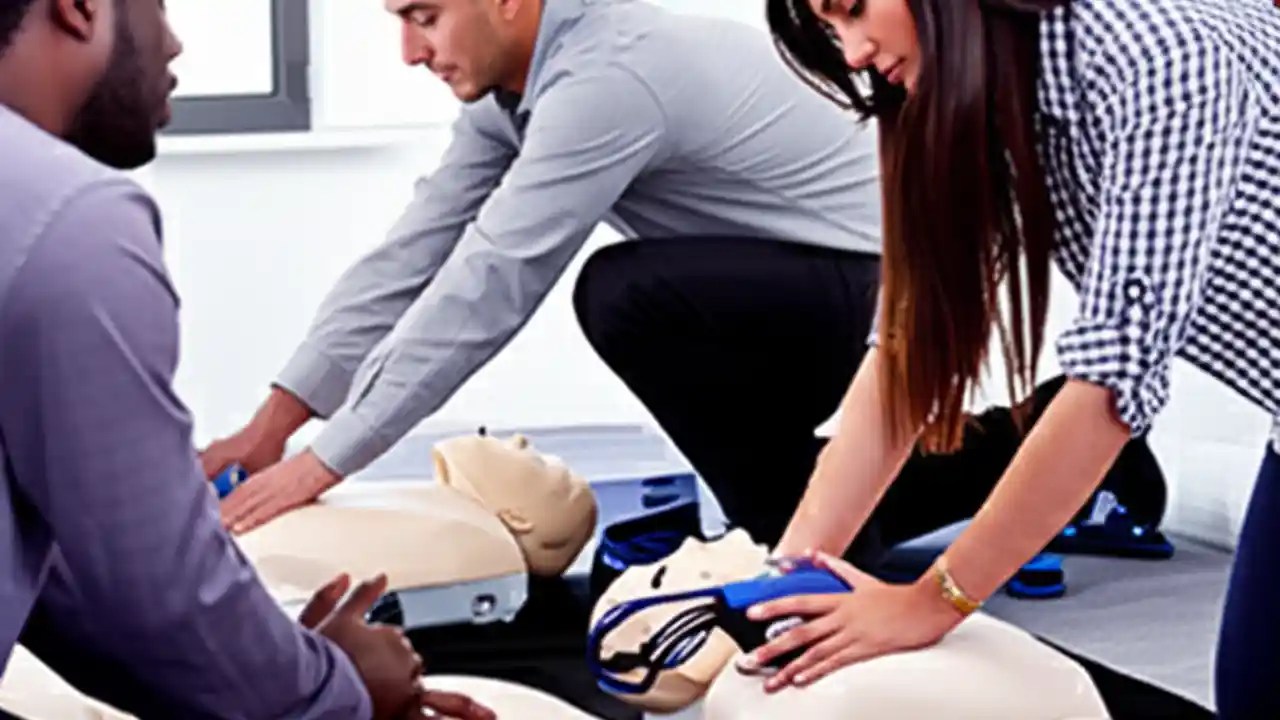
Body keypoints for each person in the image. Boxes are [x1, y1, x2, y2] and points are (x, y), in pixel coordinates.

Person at [201, 0, 1166, 569]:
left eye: (424, 15)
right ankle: (1025, 444)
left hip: (876, 284)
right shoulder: (517, 92)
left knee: (624, 292)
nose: (411, 50)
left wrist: (328, 465)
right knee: (792, 506)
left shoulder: (607, 78)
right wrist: (274, 426)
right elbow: (411, 256)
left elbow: (492, 283)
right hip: (795, 281)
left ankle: (1028, 455)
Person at [741, 0, 1280, 718]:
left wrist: (930, 603)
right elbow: (907, 348)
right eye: (832, 30)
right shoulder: (989, 86)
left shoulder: (1157, 58)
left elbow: (1113, 382)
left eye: (855, 9)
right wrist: (777, 583)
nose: (854, 53)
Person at [0, 1, 493, 718]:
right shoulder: (71, 222)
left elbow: (68, 579)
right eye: (158, 6)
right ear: (78, 8)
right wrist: (336, 690)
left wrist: (307, 679)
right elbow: (158, 589)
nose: (174, 43)